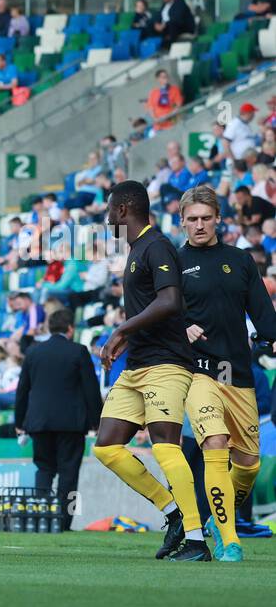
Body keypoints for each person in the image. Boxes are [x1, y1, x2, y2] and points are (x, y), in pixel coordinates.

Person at [92, 180, 209, 561]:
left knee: (164, 445)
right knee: (107, 446)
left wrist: (122, 328)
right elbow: (149, 308)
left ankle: (196, 541)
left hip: (165, 364)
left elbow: (171, 301)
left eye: (110, 210)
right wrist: (128, 336)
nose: (107, 217)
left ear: (124, 209)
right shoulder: (136, 249)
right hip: (138, 363)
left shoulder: (155, 245)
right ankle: (173, 512)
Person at [176, 185, 276, 560]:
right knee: (214, 444)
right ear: (182, 222)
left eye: (205, 218)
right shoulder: (173, 262)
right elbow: (156, 312)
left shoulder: (241, 260)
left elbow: (262, 312)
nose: (199, 225)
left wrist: (272, 338)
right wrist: (180, 328)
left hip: (237, 373)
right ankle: (229, 539)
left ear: (218, 219)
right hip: (197, 371)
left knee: (248, 466)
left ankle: (218, 519)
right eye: (192, 220)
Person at [14, 309, 102, 531]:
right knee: (69, 474)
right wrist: (97, 421)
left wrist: (19, 422)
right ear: (70, 329)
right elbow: (90, 390)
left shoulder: (33, 352)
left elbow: (22, 390)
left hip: (39, 423)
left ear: (49, 328)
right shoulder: (79, 352)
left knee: (44, 469)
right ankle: (64, 523)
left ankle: (41, 519)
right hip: (71, 424)